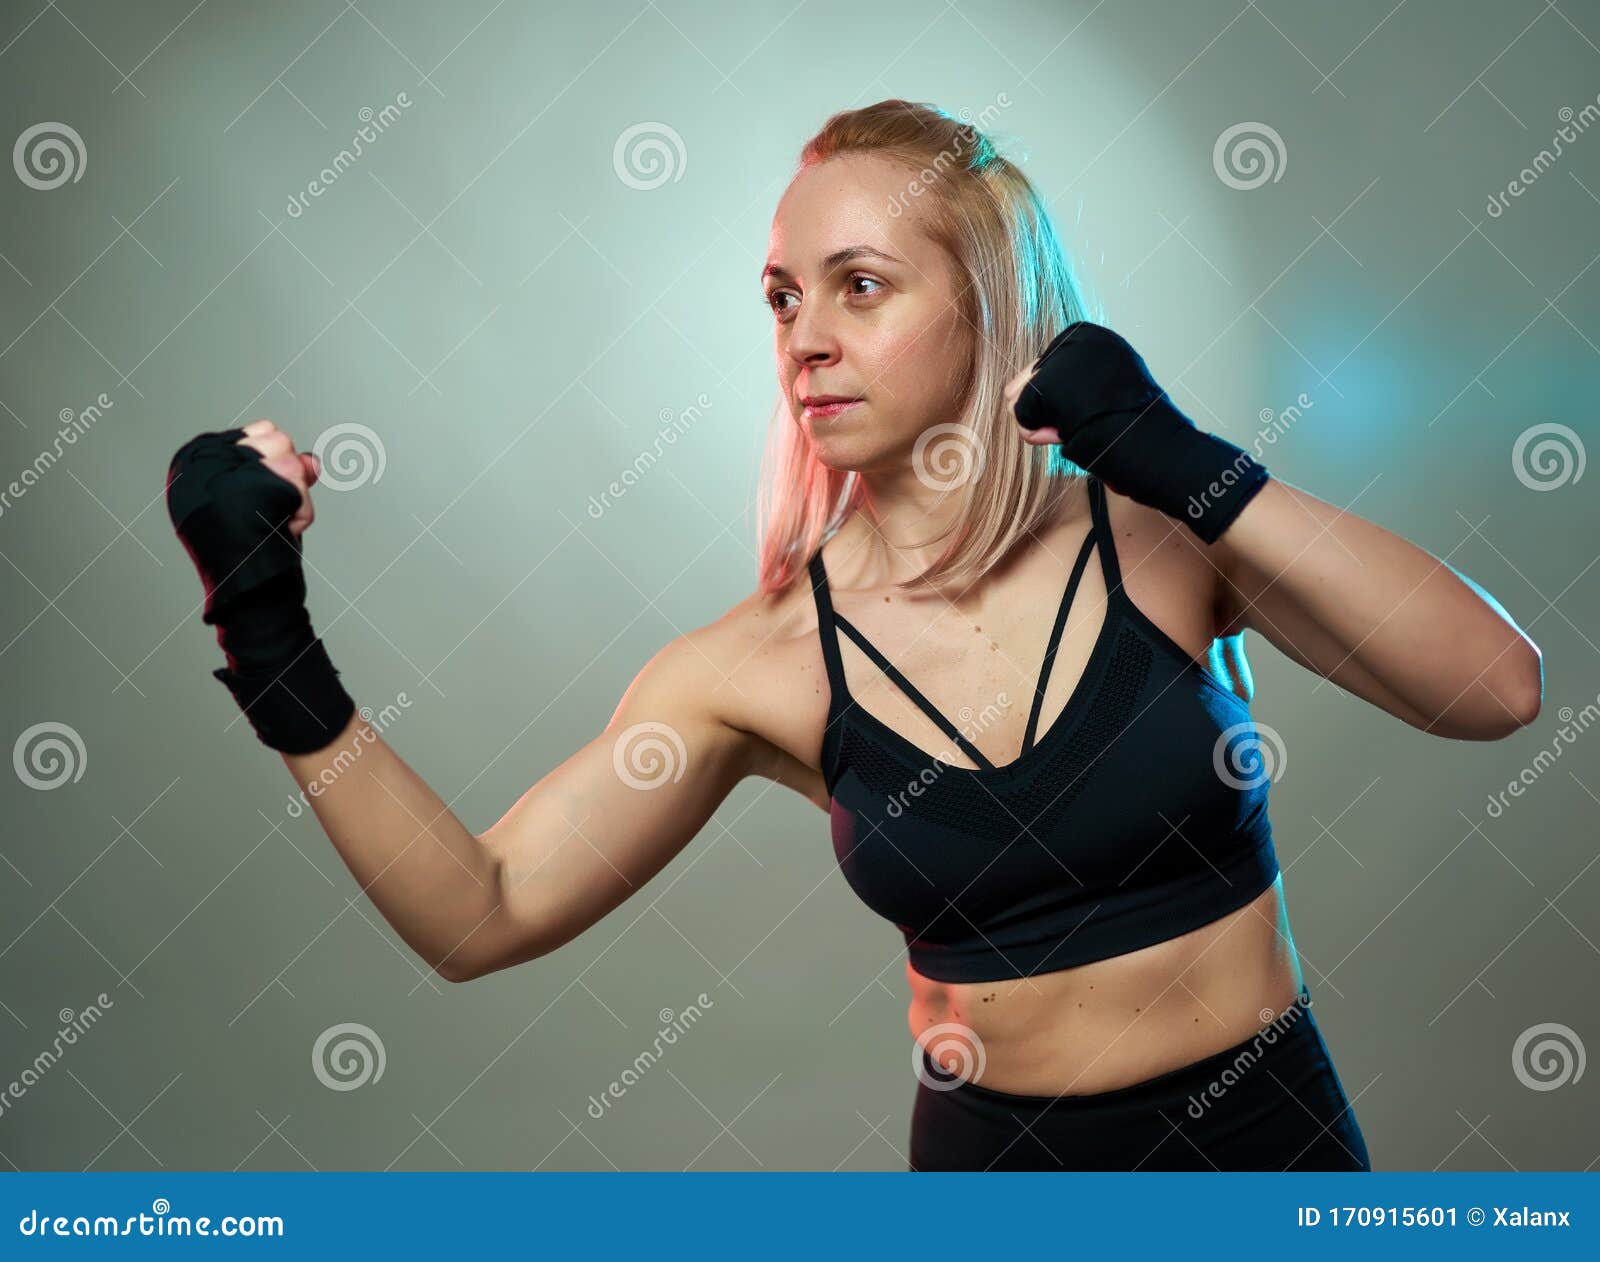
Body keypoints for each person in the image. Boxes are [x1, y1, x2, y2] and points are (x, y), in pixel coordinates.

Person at [165, 100, 1544, 1171]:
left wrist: (1194, 463)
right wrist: (273, 641)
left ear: (986, 302)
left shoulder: (1164, 541)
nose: (805, 337)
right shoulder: (755, 665)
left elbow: (1496, 688)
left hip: (1265, 1149)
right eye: (782, 294)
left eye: (860, 285)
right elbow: (483, 908)